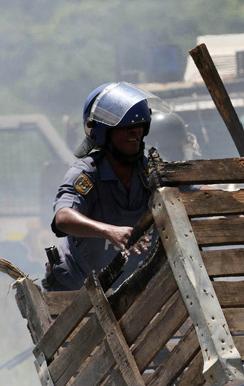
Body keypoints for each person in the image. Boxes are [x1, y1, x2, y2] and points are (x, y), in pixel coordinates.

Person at [43, 82, 174, 293]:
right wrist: (109, 231)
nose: (135, 132)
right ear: (104, 132)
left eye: (139, 125)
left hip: (137, 289)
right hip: (77, 287)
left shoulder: (151, 169)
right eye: (126, 127)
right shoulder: (87, 172)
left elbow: (193, 191)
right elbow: (63, 218)